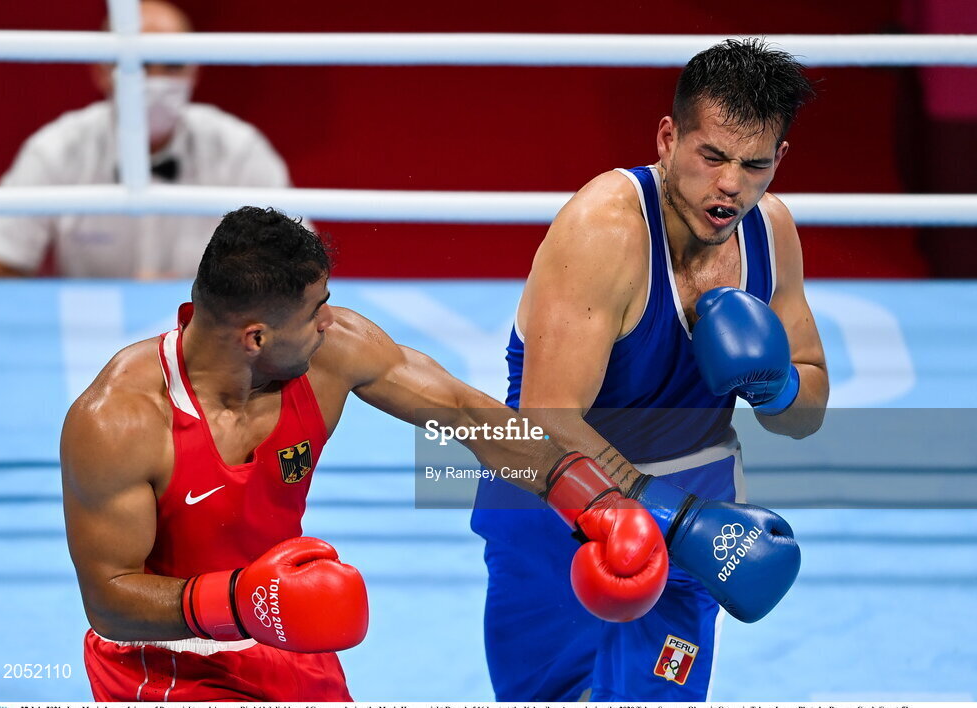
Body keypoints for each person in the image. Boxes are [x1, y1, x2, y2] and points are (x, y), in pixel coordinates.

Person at [61, 206, 679, 701]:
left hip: (287, 635)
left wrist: (591, 498)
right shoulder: (119, 422)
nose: (330, 322)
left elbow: (467, 414)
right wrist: (241, 603)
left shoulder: (331, 352)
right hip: (165, 662)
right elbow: (110, 600)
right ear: (256, 337)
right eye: (314, 312)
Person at [471, 38, 829, 701]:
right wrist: (677, 517)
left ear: (779, 161)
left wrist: (776, 387)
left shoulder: (770, 232)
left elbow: (808, 409)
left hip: (691, 509)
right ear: (669, 138)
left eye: (754, 165)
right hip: (558, 507)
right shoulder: (605, 230)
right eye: (712, 155)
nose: (730, 185)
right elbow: (548, 422)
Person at [0, 1, 294, 279]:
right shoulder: (56, 149)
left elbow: (297, 271)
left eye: (172, 64)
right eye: (137, 65)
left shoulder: (240, 150)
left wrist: (216, 307)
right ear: (99, 71)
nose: (155, 81)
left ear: (195, 70)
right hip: (93, 340)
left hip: (216, 342)